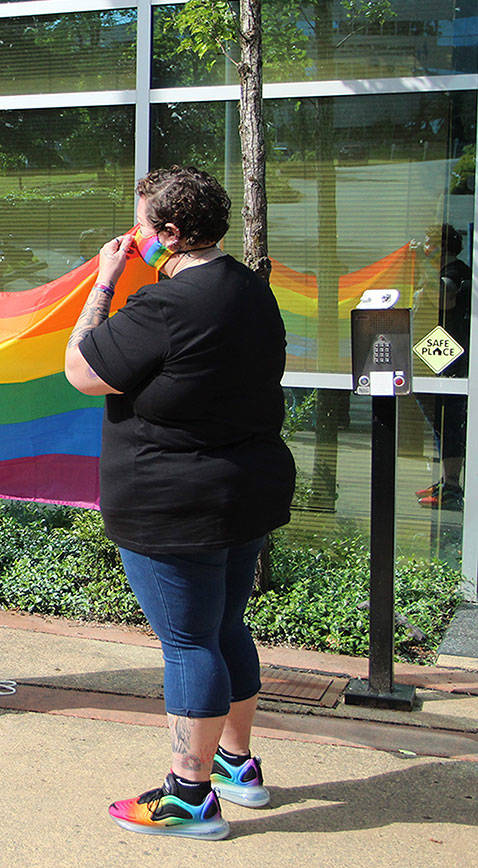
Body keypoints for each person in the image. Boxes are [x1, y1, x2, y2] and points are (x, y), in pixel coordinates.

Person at [64, 166, 295, 840]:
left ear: (168, 233)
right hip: (242, 492)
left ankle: (189, 798)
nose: (135, 235)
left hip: (175, 503)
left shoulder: (167, 307)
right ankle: (235, 765)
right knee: (225, 628)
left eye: (142, 224)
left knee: (190, 644)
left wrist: (105, 280)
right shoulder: (253, 290)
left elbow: (82, 371)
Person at [415, 224, 471, 509]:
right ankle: (447, 478)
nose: (425, 249)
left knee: (448, 421)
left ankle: (451, 485)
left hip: (450, 362)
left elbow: (445, 300)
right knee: (440, 421)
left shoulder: (456, 272)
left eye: (429, 243)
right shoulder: (439, 273)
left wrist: (424, 268)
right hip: (436, 357)